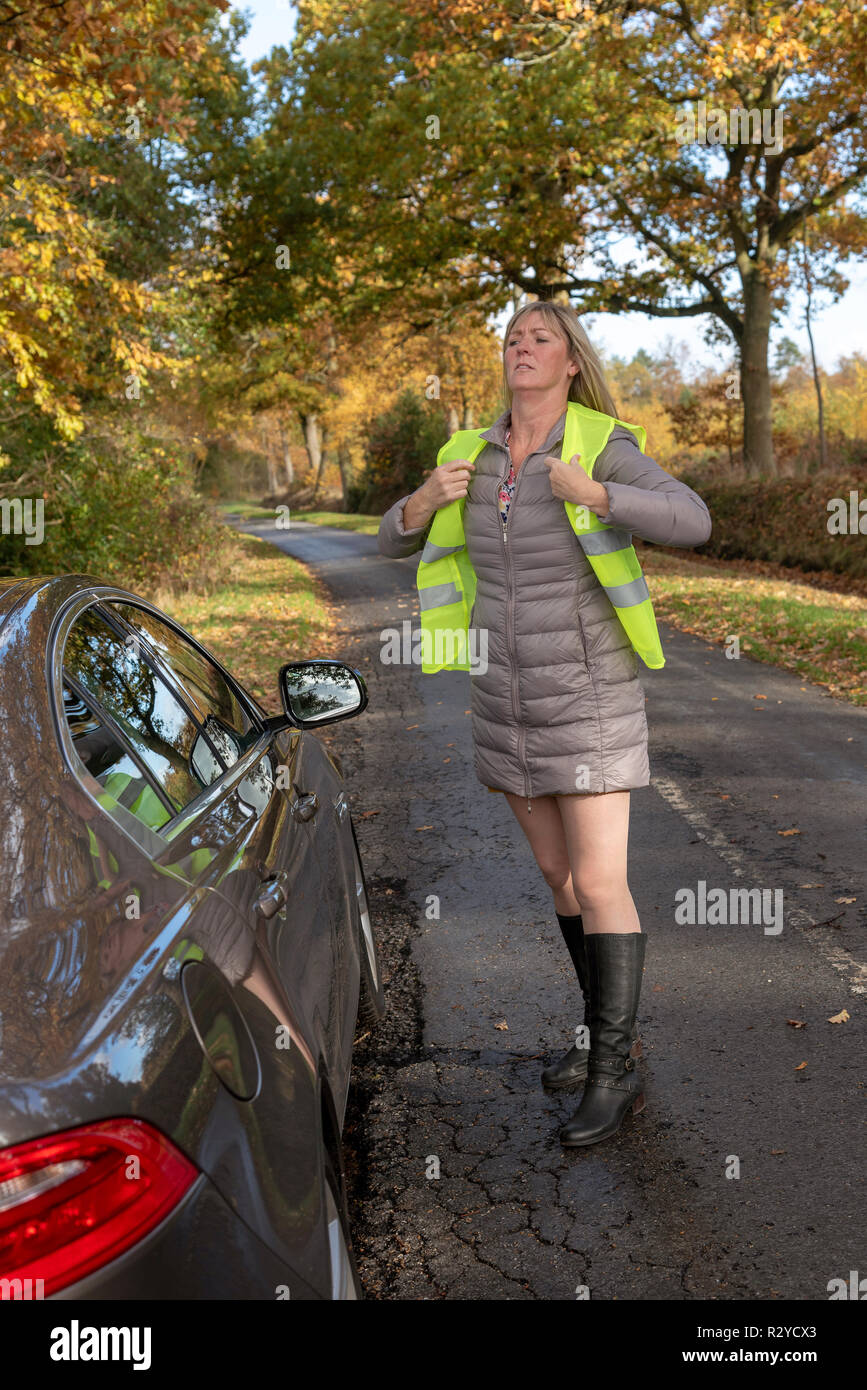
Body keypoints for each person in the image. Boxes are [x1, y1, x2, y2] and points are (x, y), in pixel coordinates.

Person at [377, 301, 712, 1147]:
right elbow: (392, 539)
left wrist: (596, 493)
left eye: (540, 339)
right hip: (504, 697)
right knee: (560, 878)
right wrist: (419, 502)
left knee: (600, 882)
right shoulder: (469, 453)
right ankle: (610, 1040)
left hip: (590, 691)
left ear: (569, 362)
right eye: (511, 338)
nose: (521, 348)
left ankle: (611, 1073)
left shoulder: (603, 444)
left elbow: (693, 520)